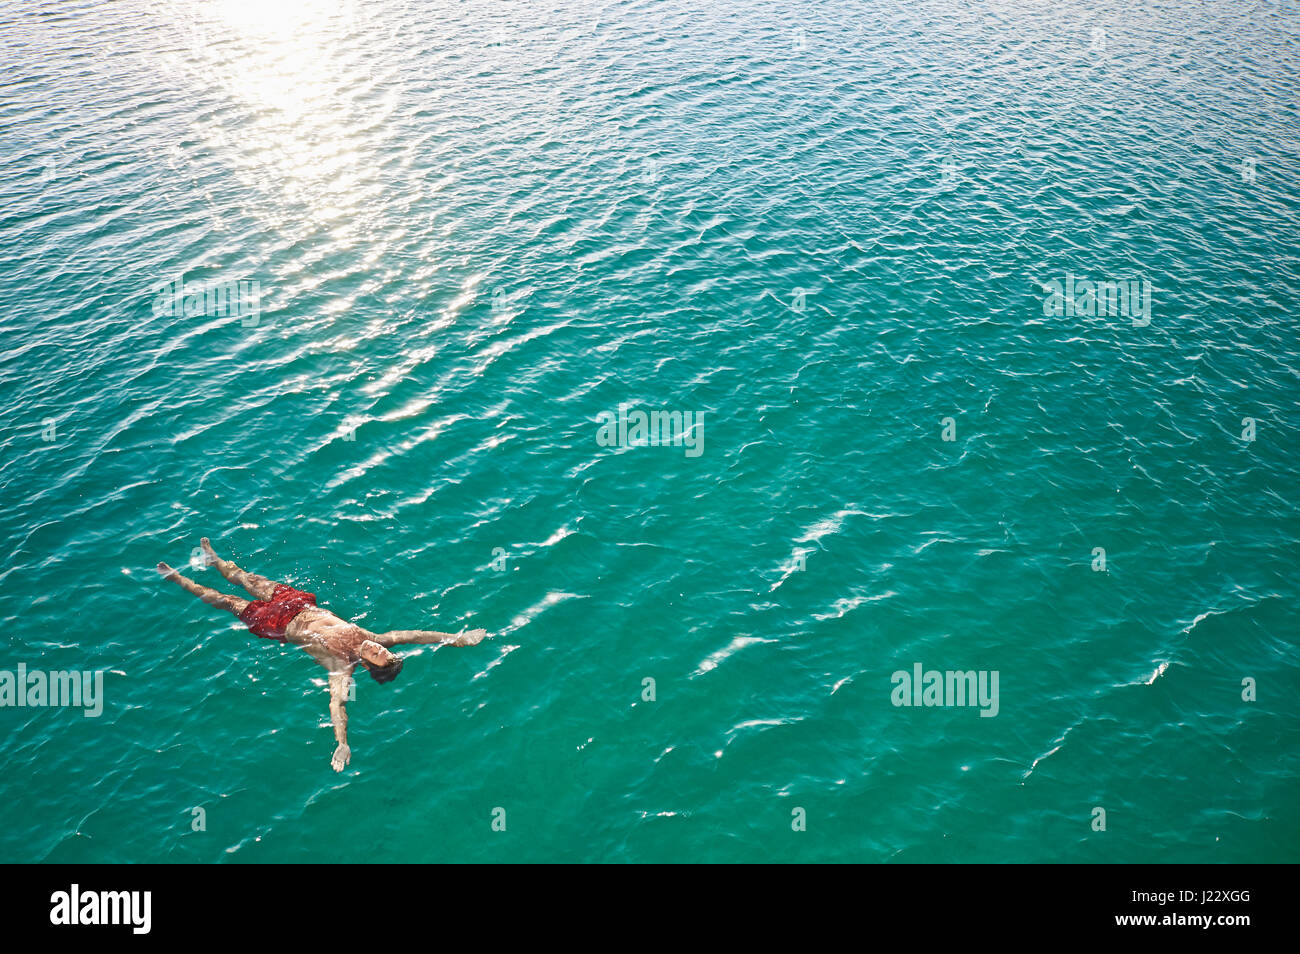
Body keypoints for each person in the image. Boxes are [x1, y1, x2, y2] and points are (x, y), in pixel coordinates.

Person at [157, 538, 487, 771]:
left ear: (370, 666)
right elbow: (417, 635)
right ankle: (213, 560)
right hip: (298, 603)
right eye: (385, 650)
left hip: (278, 624)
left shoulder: (341, 666)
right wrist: (457, 639)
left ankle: (179, 579)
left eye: (379, 655)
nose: (378, 647)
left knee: (227, 601)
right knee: (247, 577)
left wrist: (341, 742)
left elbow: (337, 704)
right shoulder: (373, 636)